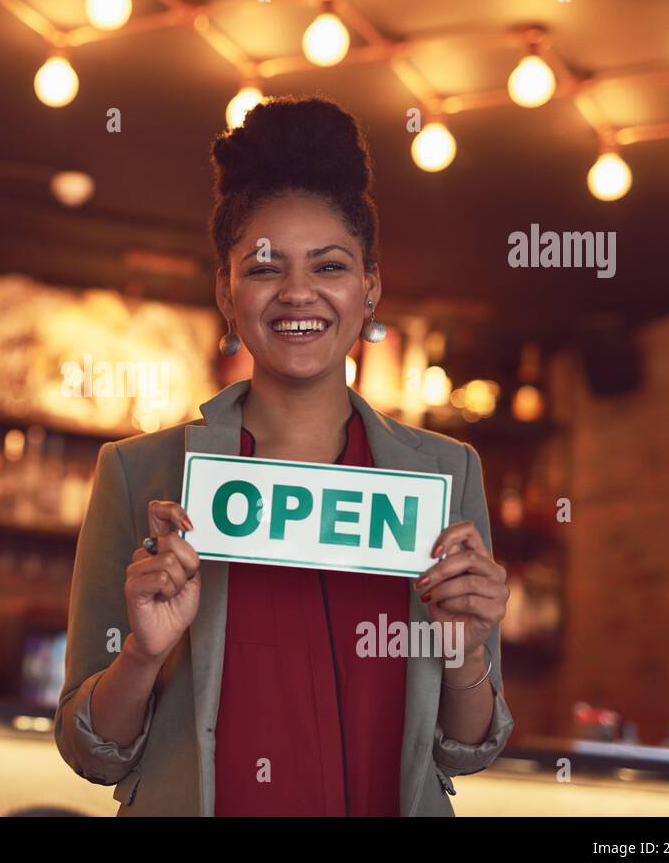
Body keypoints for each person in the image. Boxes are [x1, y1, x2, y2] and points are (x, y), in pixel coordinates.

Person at [54, 96, 514, 816]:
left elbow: (469, 747)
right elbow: (90, 749)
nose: (298, 292)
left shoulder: (444, 474)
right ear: (226, 294)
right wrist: (142, 654)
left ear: (369, 291)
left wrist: (465, 652)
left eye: (329, 266)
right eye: (265, 268)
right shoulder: (139, 473)